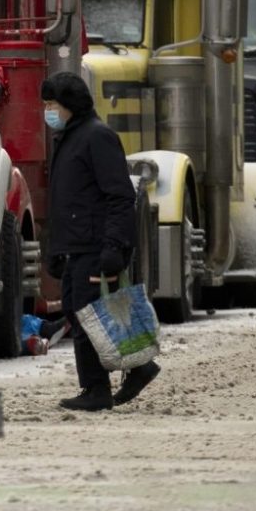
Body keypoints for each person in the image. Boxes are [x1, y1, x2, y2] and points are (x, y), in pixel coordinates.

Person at [41, 71, 160, 411]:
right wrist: (57, 248)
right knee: (86, 314)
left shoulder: (96, 137)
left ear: (70, 106)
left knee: (91, 315)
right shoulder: (69, 138)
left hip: (95, 244)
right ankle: (136, 369)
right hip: (77, 245)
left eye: (52, 104)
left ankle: (97, 389)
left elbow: (120, 197)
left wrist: (115, 247)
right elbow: (67, 201)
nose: (48, 110)